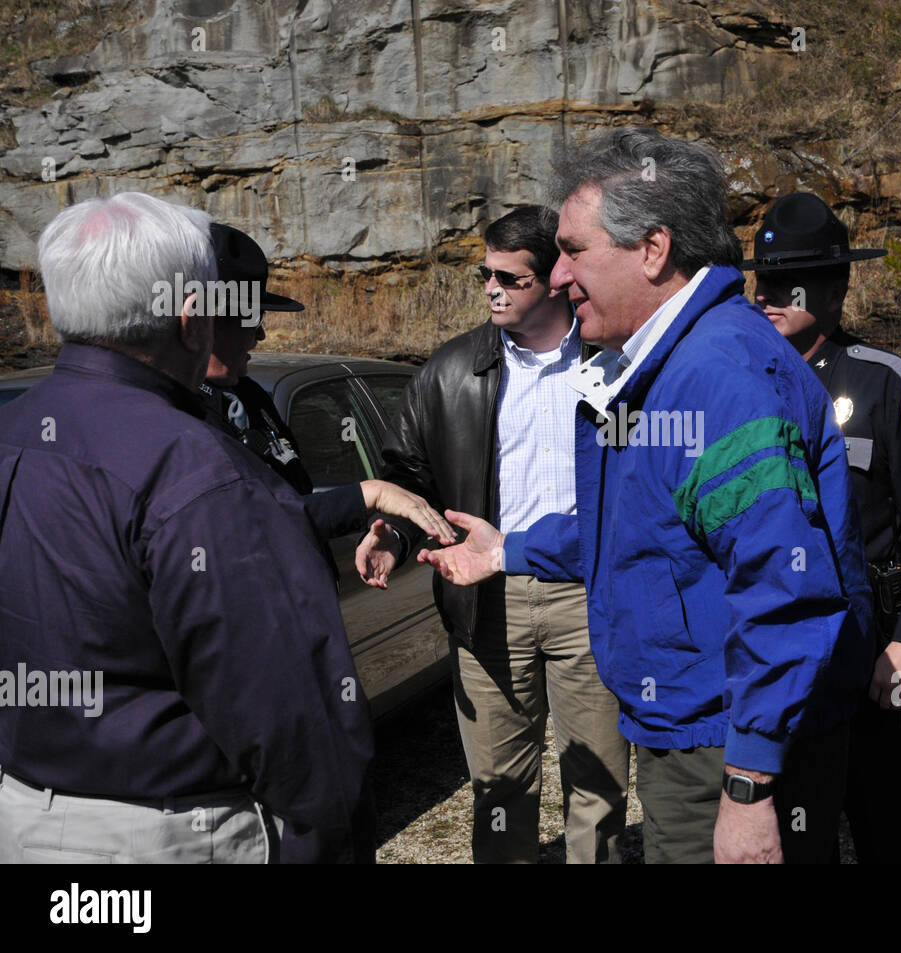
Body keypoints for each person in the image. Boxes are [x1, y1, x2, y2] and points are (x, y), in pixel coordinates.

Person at [422, 130, 872, 864]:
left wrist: (750, 786)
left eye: (574, 250)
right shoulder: (665, 365)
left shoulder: (716, 375)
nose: (559, 274)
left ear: (653, 249)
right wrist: (510, 548)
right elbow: (639, 528)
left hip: (721, 747)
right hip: (695, 736)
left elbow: (785, 587)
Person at [0, 192, 374, 863]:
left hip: (23, 818)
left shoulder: (14, 433)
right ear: (191, 316)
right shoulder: (198, 469)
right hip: (166, 835)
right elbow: (289, 714)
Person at [355, 206, 629, 863]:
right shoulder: (448, 372)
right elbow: (405, 474)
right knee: (500, 792)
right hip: (486, 604)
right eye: (485, 273)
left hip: (586, 598)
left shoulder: (615, 365)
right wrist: (391, 530)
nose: (490, 288)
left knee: (598, 786)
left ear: (557, 279)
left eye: (510, 276)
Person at [744, 191, 901, 863]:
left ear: (836, 288)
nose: (769, 294)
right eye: (763, 279)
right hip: (776, 650)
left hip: (865, 648)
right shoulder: (741, 382)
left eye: (791, 280)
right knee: (788, 829)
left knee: (886, 820)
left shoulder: (889, 385)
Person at [199, 223, 451, 551]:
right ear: (204, 322)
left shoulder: (249, 396)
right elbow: (242, 529)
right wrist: (367, 495)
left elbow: (293, 495)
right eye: (251, 319)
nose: (259, 336)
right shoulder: (172, 417)